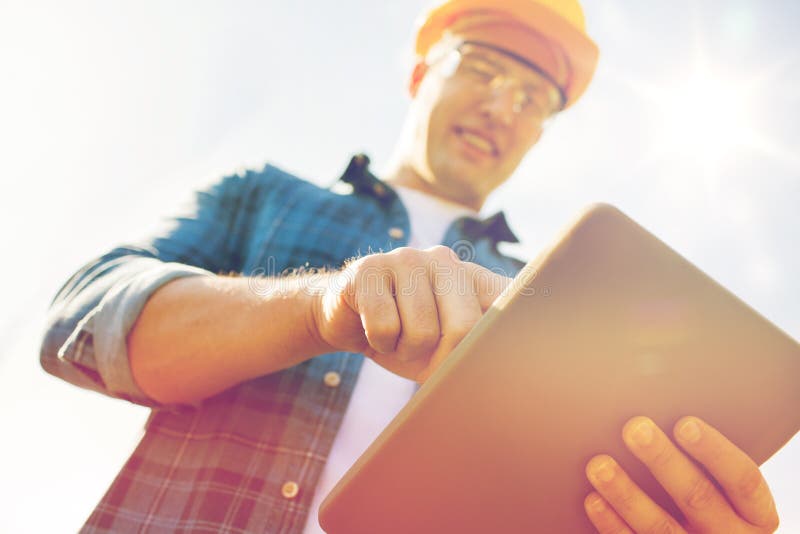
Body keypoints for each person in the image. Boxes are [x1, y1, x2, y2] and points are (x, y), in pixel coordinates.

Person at [40, 1, 781, 532]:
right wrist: (322, 307)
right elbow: (85, 322)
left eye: (533, 99)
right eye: (485, 69)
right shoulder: (261, 196)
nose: (502, 107)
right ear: (421, 72)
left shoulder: (551, 299)